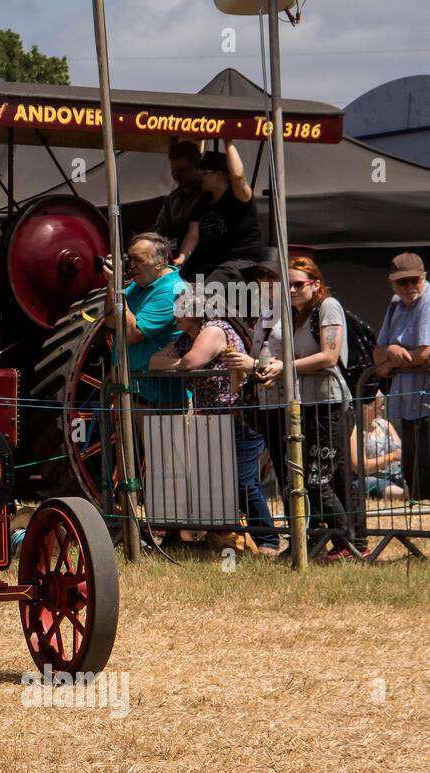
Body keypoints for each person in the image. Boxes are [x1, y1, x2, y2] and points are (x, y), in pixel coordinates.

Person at [228, 256, 362, 558]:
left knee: (318, 479)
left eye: (297, 284)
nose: (290, 290)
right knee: (305, 478)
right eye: (286, 284)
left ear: (316, 284)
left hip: (328, 403)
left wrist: (282, 367)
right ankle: (320, 541)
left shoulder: (328, 307)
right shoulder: (294, 313)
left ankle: (350, 542)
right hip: (304, 404)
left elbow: (329, 357)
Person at [149, 291, 279, 553]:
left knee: (243, 481)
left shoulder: (215, 329)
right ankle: (226, 539)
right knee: (218, 480)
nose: (174, 316)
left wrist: (185, 364)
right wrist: (184, 365)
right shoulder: (188, 338)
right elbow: (155, 362)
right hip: (212, 420)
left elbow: (193, 361)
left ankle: (268, 540)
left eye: (179, 310)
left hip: (239, 417)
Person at [101, 231, 185, 408]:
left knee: (161, 438)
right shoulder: (139, 285)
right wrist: (112, 286)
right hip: (136, 392)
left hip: (161, 398)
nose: (132, 266)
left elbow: (131, 334)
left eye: (138, 260)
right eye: (130, 259)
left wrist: (117, 288)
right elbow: (110, 321)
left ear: (160, 262)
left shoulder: (172, 289)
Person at [175, 141, 265, 304]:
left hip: (241, 261)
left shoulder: (239, 196)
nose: (201, 175)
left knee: (203, 295)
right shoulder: (203, 201)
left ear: (220, 174)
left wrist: (228, 141)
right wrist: (182, 257)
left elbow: (238, 176)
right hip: (212, 263)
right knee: (182, 289)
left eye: (205, 172)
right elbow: (193, 235)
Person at [373, 252, 430, 501]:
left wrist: (391, 362)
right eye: (402, 282)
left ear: (424, 277)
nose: (409, 287)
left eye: (414, 280)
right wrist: (392, 351)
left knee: (426, 468)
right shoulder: (395, 305)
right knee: (412, 468)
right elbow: (376, 355)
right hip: (408, 401)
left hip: (426, 399)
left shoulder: (428, 301)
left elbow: (426, 352)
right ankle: (421, 527)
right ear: (391, 282)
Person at [350, 392, 405, 501]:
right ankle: (406, 494)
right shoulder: (355, 429)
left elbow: (401, 450)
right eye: (379, 405)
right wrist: (391, 457)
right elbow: (358, 467)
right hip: (370, 479)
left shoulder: (384, 424)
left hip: (397, 474)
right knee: (396, 491)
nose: (383, 408)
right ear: (365, 406)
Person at [152, 140, 205, 250]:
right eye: (173, 170)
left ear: (198, 167)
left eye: (182, 170)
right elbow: (160, 229)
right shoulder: (172, 199)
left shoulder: (211, 194)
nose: (176, 174)